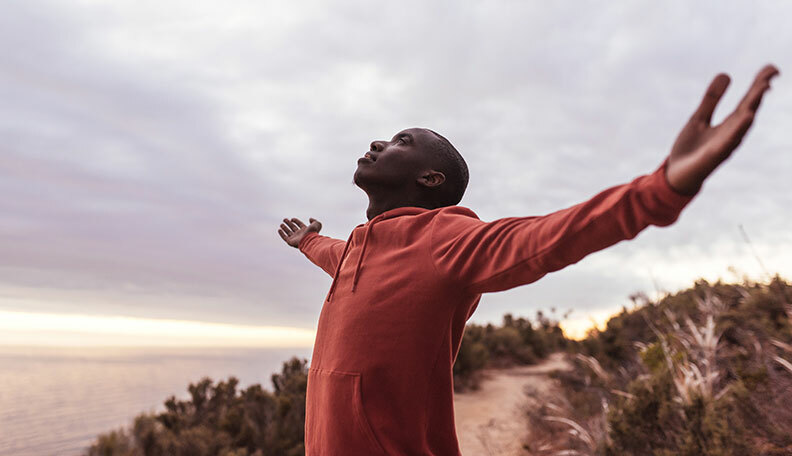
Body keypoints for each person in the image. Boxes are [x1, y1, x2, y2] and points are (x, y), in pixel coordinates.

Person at [277, 65, 779, 455]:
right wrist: (306, 241)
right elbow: (338, 257)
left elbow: (546, 237)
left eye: (401, 141)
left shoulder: (444, 239)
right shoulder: (359, 250)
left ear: (431, 179)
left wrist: (661, 188)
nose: (378, 142)